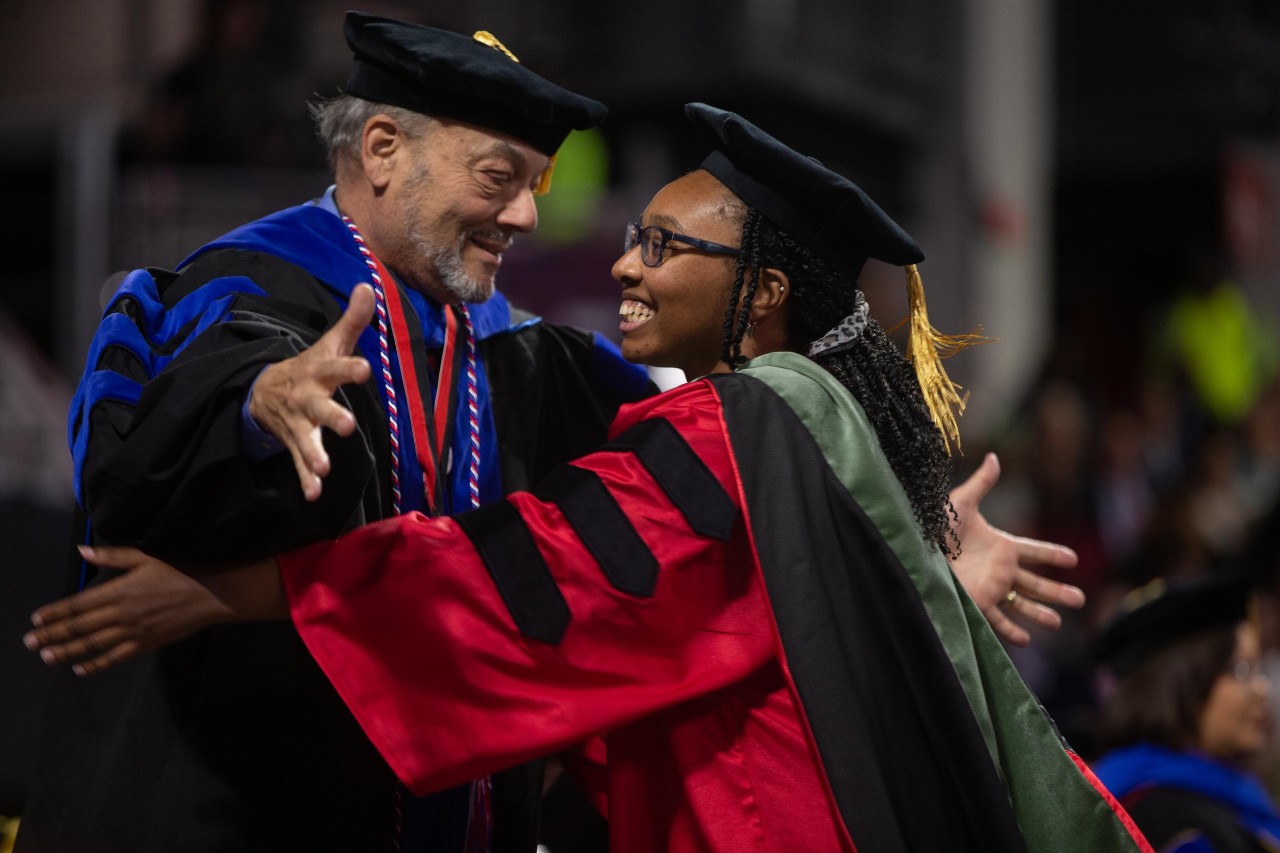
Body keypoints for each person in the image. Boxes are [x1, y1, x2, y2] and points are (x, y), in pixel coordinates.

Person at [27, 104, 1149, 852]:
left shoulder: (731, 433)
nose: (616, 261)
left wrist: (226, 593)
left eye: (662, 247)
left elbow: (506, 587)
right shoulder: (810, 426)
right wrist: (937, 551)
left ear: (761, 291)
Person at [17, 14, 651, 853]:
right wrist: (259, 406)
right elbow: (180, 427)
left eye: (536, 182)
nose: (527, 215)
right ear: (383, 148)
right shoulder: (248, 284)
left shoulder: (513, 349)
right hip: (239, 810)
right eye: (501, 177)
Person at [1092, 574, 1280, 852]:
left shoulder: (1223, 795)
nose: (1261, 689)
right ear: (1181, 684)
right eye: (1240, 670)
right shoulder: (1162, 819)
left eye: (1258, 668)